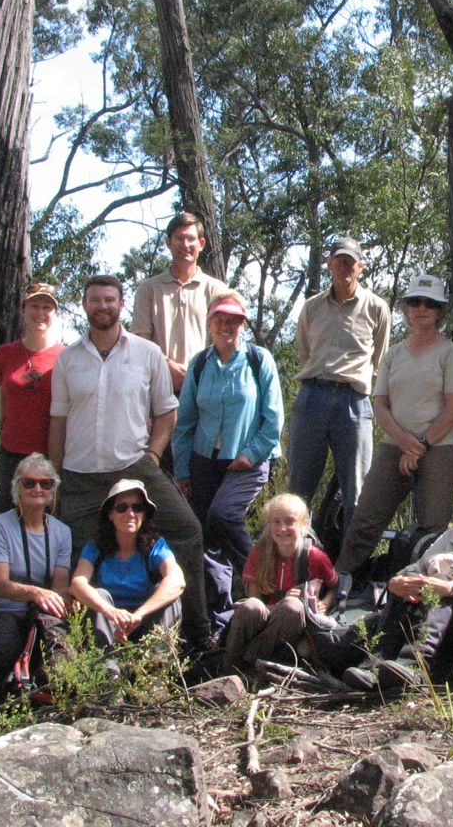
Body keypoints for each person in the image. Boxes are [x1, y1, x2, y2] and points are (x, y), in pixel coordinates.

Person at [48, 275, 210, 650]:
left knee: (187, 530)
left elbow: (167, 413)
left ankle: (196, 638)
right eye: (94, 300)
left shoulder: (146, 353)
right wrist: (55, 477)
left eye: (109, 300)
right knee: (75, 554)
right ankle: (75, 654)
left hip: (135, 467)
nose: (102, 306)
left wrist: (153, 456)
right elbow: (58, 421)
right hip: (81, 474)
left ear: (120, 305)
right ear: (84, 305)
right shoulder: (68, 359)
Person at [334, 274, 453, 596]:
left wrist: (420, 445)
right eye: (415, 302)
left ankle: (423, 594)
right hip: (395, 445)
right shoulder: (393, 354)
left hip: (440, 447)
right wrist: (404, 442)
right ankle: (339, 583)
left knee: (432, 527)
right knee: (365, 518)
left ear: (439, 311)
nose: (422, 308)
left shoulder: (451, 352)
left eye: (430, 304)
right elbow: (380, 403)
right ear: (406, 308)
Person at [342, 471, 453, 692]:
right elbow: (417, 568)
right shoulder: (452, 536)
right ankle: (375, 664)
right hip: (450, 617)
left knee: (442, 595)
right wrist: (397, 583)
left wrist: (449, 588)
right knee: (409, 589)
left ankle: (415, 665)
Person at [172, 291, 284, 625]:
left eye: (233, 320)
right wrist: (182, 471)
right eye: (220, 319)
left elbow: (274, 419)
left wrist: (250, 455)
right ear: (209, 323)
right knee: (203, 533)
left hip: (248, 460)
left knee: (222, 515)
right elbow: (186, 421)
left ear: (242, 324)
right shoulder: (200, 364)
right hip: (204, 460)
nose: (226, 326)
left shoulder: (258, 360)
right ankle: (219, 612)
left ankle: (264, 580)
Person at [285, 237, 391, 549]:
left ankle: (349, 573)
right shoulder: (312, 307)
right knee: (297, 490)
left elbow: (380, 362)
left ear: (360, 266)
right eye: (338, 261)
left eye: (350, 261)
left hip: (354, 404)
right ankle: (293, 564)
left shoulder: (376, 308)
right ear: (329, 265)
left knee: (357, 492)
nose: (344, 267)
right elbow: (305, 354)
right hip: (312, 398)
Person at [0, 454, 72, 710]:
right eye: (29, 483)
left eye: (45, 484)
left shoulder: (62, 532)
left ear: (53, 489)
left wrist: (49, 605)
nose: (38, 489)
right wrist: (35, 593)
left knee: (61, 657)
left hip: (45, 612)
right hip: (3, 610)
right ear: (17, 488)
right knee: (0, 651)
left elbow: (60, 585)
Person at [224, 494, 338, 671]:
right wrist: (277, 605)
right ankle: (230, 664)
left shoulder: (314, 557)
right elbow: (255, 598)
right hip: (265, 615)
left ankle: (249, 661)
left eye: (289, 521)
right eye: (276, 522)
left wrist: (324, 603)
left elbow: (335, 586)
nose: (282, 528)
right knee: (251, 606)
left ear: (303, 524)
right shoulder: (260, 553)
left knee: (292, 607)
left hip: (293, 624)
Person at [69, 479, 185, 648]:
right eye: (121, 507)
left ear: (144, 514)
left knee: (171, 599)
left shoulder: (155, 546)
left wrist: (139, 615)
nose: (130, 513)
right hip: (108, 624)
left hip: (145, 622)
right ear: (110, 514)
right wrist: (111, 612)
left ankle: (158, 666)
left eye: (137, 508)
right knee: (99, 594)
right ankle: (107, 669)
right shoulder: (95, 548)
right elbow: (77, 584)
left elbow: (177, 581)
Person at [131, 211, 228, 396]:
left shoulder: (217, 290)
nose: (185, 245)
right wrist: (166, 366)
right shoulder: (148, 289)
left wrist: (195, 373)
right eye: (179, 239)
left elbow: (225, 341)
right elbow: (140, 342)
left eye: (191, 239)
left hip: (206, 389)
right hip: (158, 390)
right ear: (168, 243)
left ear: (201, 244)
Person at [0, 281, 65, 513]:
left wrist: (57, 465)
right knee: (3, 523)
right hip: (9, 457)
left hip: (50, 459)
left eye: (46, 307)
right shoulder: (4, 355)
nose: (40, 313)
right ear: (23, 310)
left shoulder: (66, 357)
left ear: (54, 314)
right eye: (34, 306)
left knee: (46, 527)